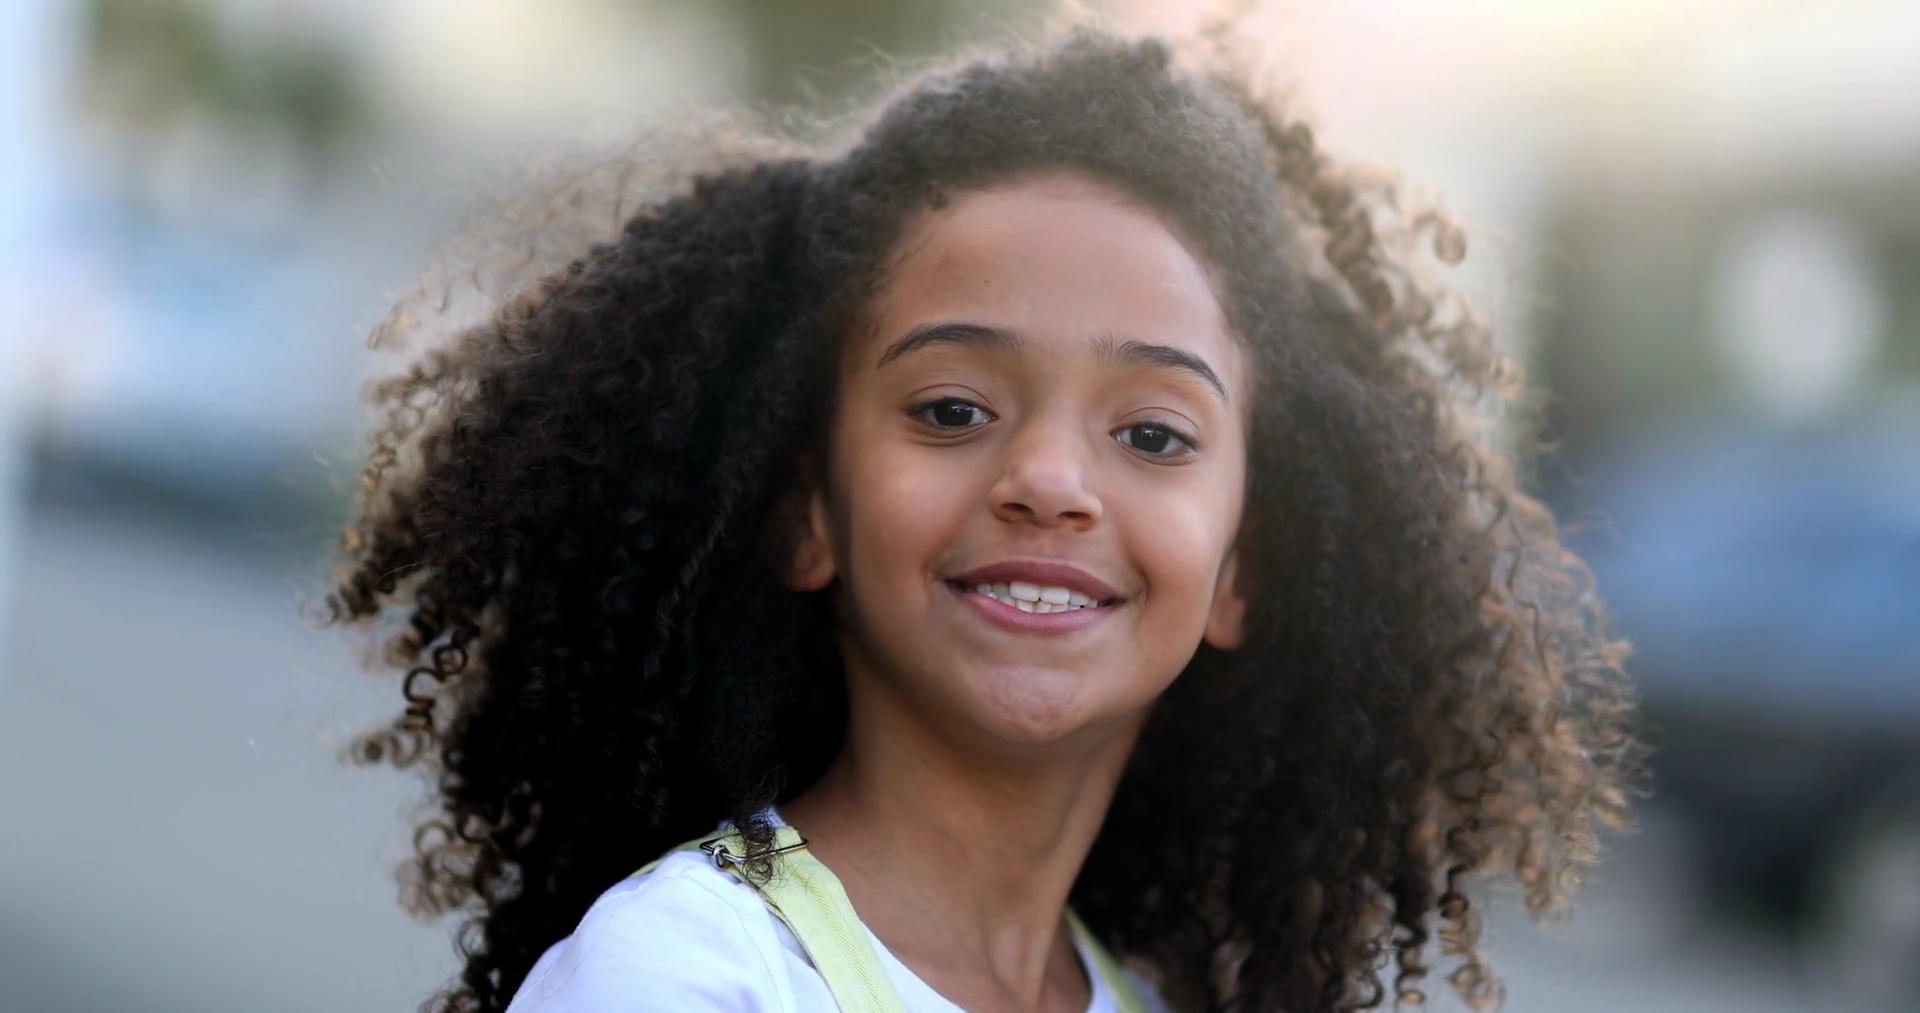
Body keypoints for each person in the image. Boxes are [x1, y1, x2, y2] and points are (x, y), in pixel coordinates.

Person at [330, 25, 1639, 1013]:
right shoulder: (688, 977)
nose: (1053, 480)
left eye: (1153, 434)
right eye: (953, 410)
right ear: (804, 512)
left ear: (1244, 564)